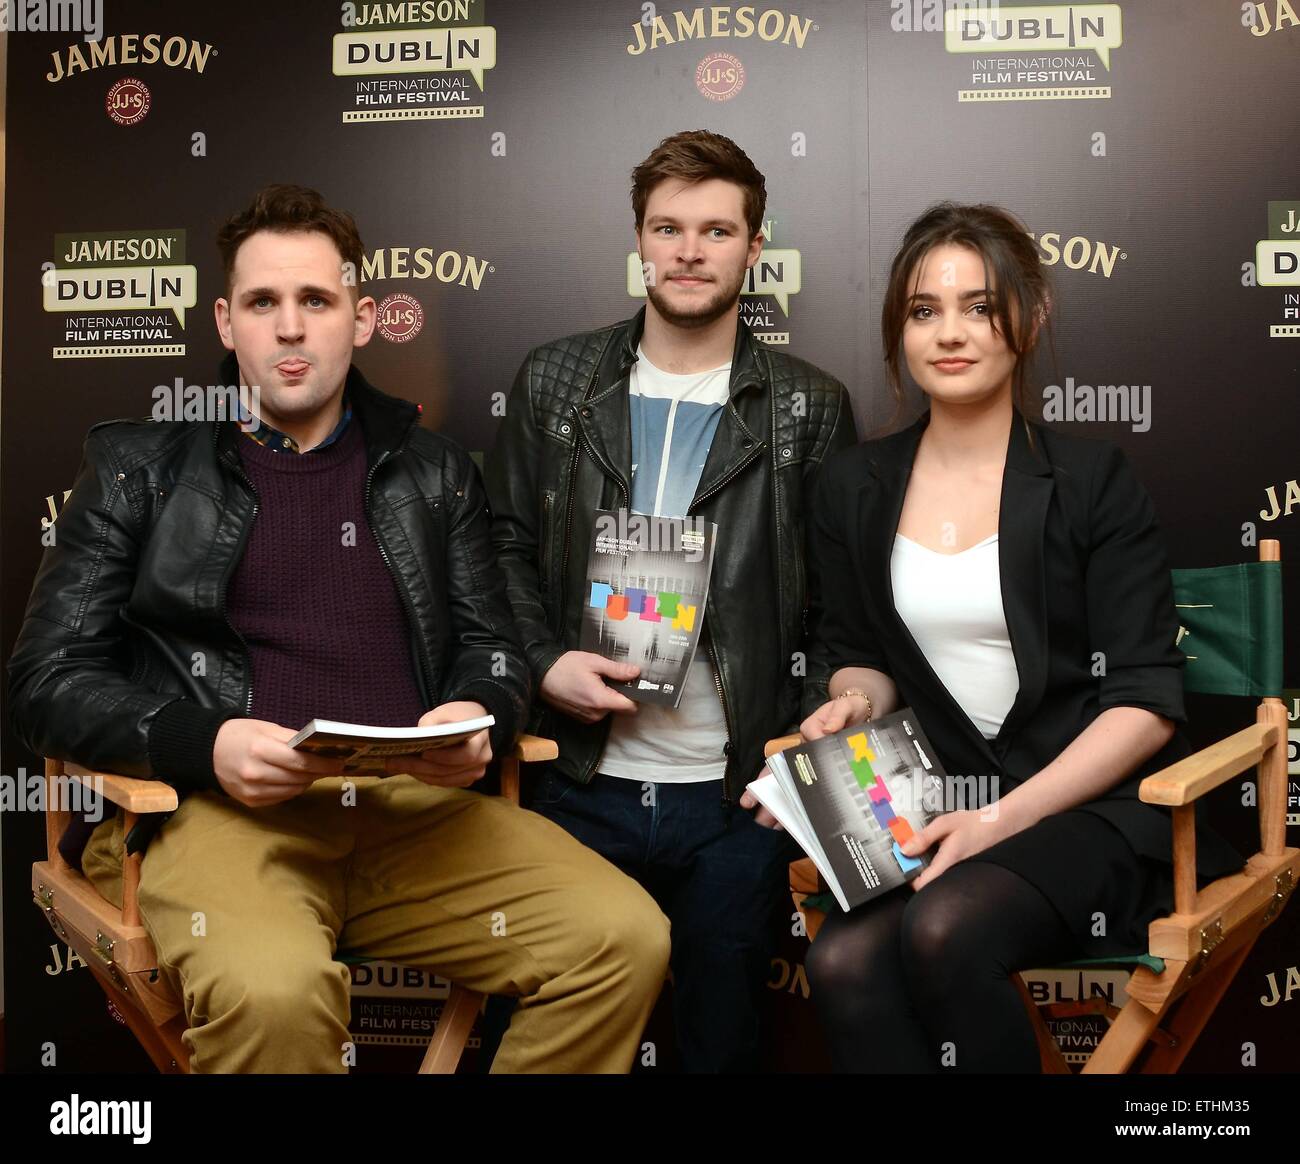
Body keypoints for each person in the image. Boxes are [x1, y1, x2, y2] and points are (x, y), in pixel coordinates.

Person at [8, 184, 669, 1074]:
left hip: (415, 812)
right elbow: (45, 682)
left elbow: (497, 643)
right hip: (220, 819)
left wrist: (477, 712)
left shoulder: (433, 471)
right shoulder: (137, 467)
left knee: (624, 939)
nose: (290, 327)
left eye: (315, 301)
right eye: (263, 303)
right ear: (224, 322)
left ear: (361, 320)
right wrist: (205, 743)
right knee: (272, 993)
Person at [798, 202, 1243, 1073]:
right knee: (840, 960)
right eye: (924, 310)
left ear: (1029, 320)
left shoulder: (1089, 481)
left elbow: (1146, 703)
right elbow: (861, 655)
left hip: (1088, 811)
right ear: (900, 329)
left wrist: (1002, 819)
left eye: (979, 305)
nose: (950, 333)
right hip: (939, 805)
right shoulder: (854, 484)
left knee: (945, 930)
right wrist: (847, 704)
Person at [484, 131, 857, 1071]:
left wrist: (799, 758)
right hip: (578, 776)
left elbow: (838, 607)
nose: (691, 250)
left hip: (735, 791)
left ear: (754, 249)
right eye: (669, 228)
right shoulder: (556, 384)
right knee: (536, 1022)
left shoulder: (809, 407)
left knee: (722, 1037)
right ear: (641, 243)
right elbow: (503, 549)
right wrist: (541, 662)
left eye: (717, 230)